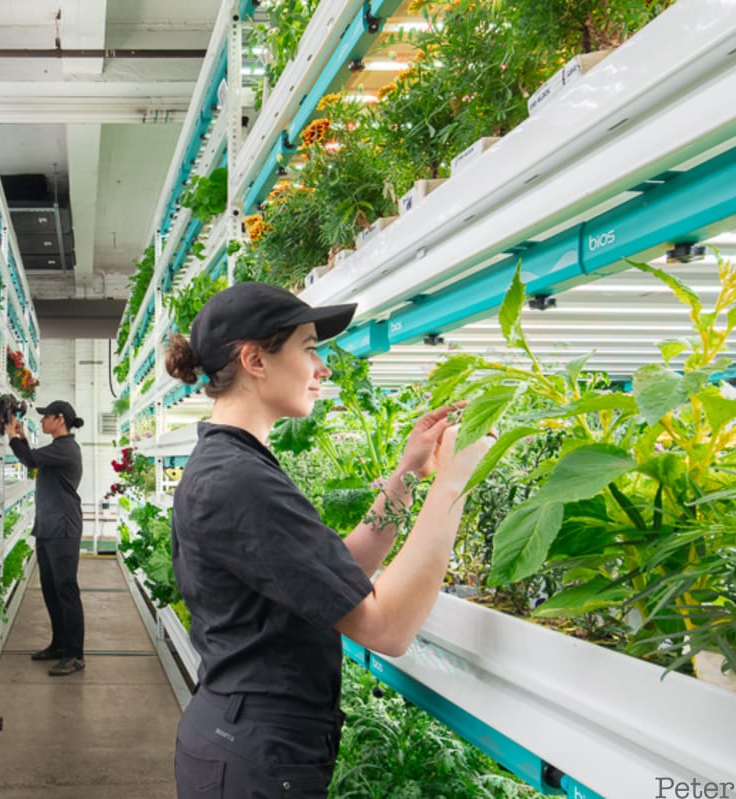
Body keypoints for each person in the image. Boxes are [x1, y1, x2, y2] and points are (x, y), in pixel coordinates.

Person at [162, 282, 492, 798]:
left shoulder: (232, 464)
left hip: (243, 740)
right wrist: (454, 482)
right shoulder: (239, 480)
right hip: (253, 756)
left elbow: (339, 574)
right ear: (255, 360)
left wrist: (407, 475)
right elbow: (386, 628)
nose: (323, 368)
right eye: (310, 348)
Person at [7, 399, 87, 677]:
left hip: (63, 528)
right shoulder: (58, 448)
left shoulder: (66, 449)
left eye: (45, 417)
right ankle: (59, 644)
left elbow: (30, 460)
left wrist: (12, 436)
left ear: (60, 419)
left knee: (66, 589)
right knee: (51, 589)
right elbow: (35, 458)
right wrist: (22, 438)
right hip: (48, 527)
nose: (41, 421)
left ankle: (75, 654)